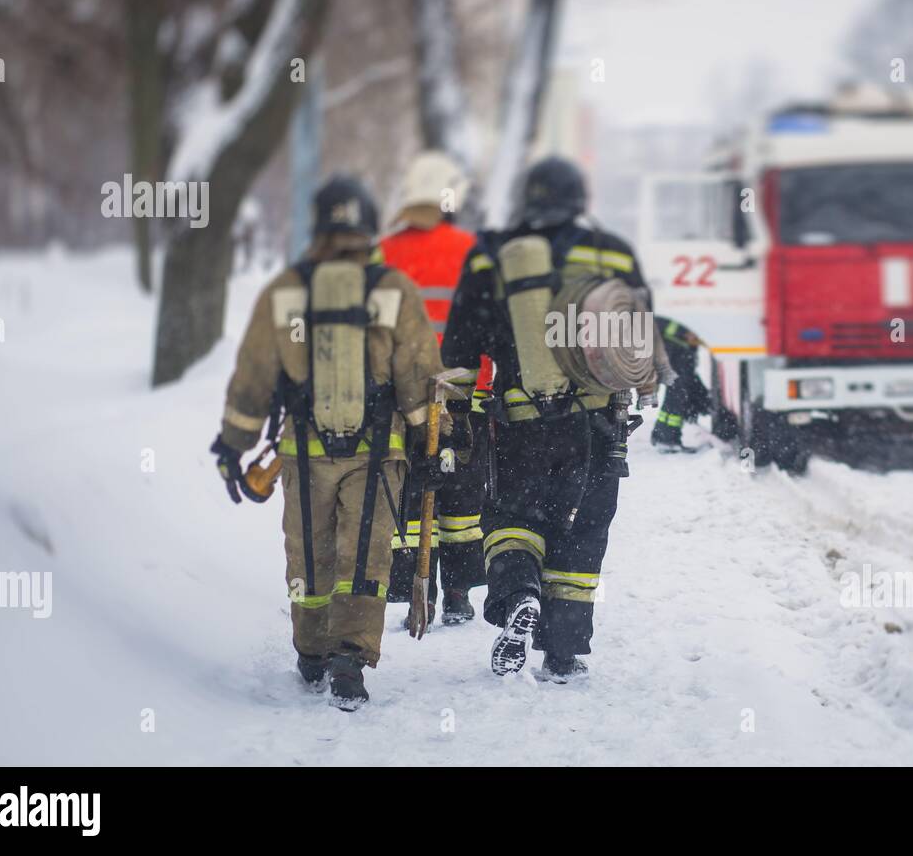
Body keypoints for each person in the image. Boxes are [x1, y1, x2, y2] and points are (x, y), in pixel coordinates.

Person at [209, 175, 444, 710]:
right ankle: (350, 658)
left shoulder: (286, 290)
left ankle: (312, 651)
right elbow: (419, 379)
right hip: (377, 452)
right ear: (368, 226)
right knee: (365, 555)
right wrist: (434, 447)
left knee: (309, 556)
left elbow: (253, 376)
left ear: (317, 226)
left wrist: (233, 445)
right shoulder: (393, 289)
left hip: (303, 451)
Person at [442, 156, 653, 681]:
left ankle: (517, 596)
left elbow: (462, 347)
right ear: (580, 200)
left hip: (520, 422)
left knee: (513, 518)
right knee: (581, 531)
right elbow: (641, 345)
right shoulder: (610, 253)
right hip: (599, 425)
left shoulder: (492, 255)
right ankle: (561, 652)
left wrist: (459, 411)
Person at [377, 150, 493, 629]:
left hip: (399, 392)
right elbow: (489, 323)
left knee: (405, 487)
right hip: (462, 390)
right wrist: (486, 383)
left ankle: (404, 586)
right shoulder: (471, 250)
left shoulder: (383, 252)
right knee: (462, 496)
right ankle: (459, 594)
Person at [649, 316, 711, 453]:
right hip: (673, 351)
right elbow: (660, 321)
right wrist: (684, 332)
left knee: (684, 390)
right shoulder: (666, 306)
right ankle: (666, 437)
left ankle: (664, 435)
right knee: (678, 393)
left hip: (679, 351)